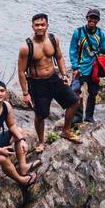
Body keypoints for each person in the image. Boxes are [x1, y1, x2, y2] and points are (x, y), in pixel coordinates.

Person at [18, 12, 81, 150]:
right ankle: (41, 142)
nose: (39, 27)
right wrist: (25, 93)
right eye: (37, 25)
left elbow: (59, 58)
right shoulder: (26, 47)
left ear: (47, 25)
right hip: (37, 83)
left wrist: (64, 75)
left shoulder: (53, 39)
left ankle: (66, 131)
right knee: (40, 115)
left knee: (74, 101)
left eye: (42, 24)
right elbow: (21, 71)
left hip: (53, 78)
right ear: (32, 26)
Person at [69, 7, 105, 126]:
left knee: (93, 92)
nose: (92, 20)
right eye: (90, 17)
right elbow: (72, 50)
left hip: (94, 68)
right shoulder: (78, 32)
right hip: (80, 68)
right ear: (87, 18)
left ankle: (89, 116)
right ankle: (77, 116)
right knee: (75, 91)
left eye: (95, 18)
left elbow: (102, 48)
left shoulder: (100, 33)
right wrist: (75, 67)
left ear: (98, 20)